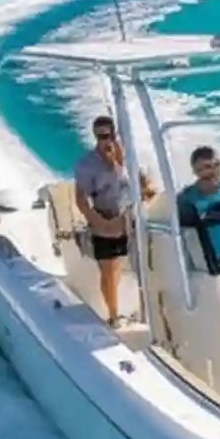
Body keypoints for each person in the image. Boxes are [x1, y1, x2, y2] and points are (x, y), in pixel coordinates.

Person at [73, 114, 155, 327]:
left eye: (108, 135)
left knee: (143, 267)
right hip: (105, 216)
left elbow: (147, 187)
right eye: (100, 136)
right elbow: (82, 199)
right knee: (109, 270)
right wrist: (98, 222)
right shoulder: (86, 165)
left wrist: (140, 201)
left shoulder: (132, 159)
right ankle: (114, 314)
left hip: (131, 216)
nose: (105, 140)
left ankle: (146, 311)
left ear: (115, 134)